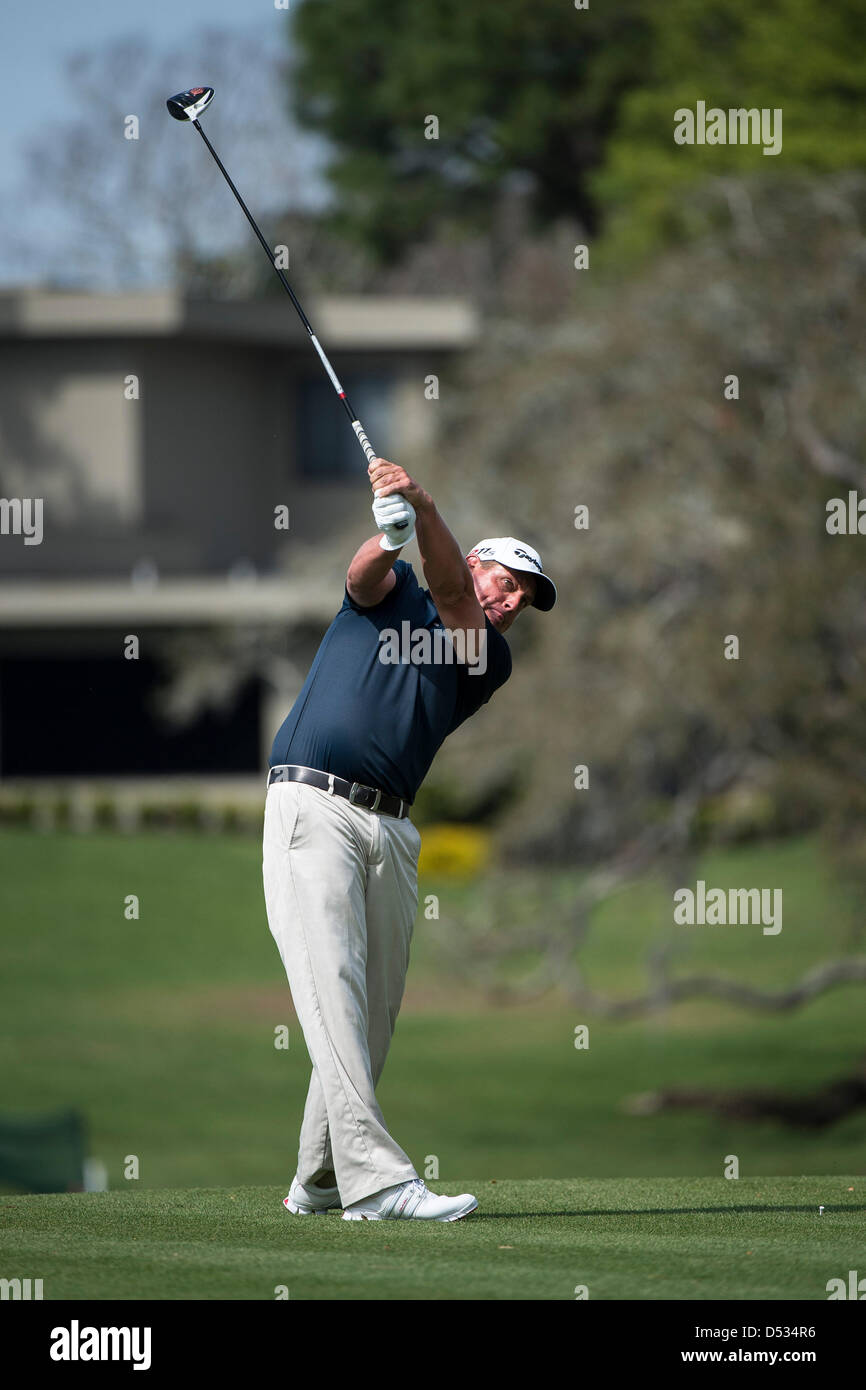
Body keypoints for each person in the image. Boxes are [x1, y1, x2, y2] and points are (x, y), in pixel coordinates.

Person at [262, 455, 557, 1221]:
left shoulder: (482, 654)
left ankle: (319, 1181)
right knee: (334, 987)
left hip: (391, 830)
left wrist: (419, 504)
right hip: (313, 806)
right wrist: (389, 533)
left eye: (523, 595)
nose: (513, 599)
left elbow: (455, 597)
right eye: (507, 579)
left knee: (372, 1010)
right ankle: (380, 1183)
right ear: (473, 559)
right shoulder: (389, 597)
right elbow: (362, 577)